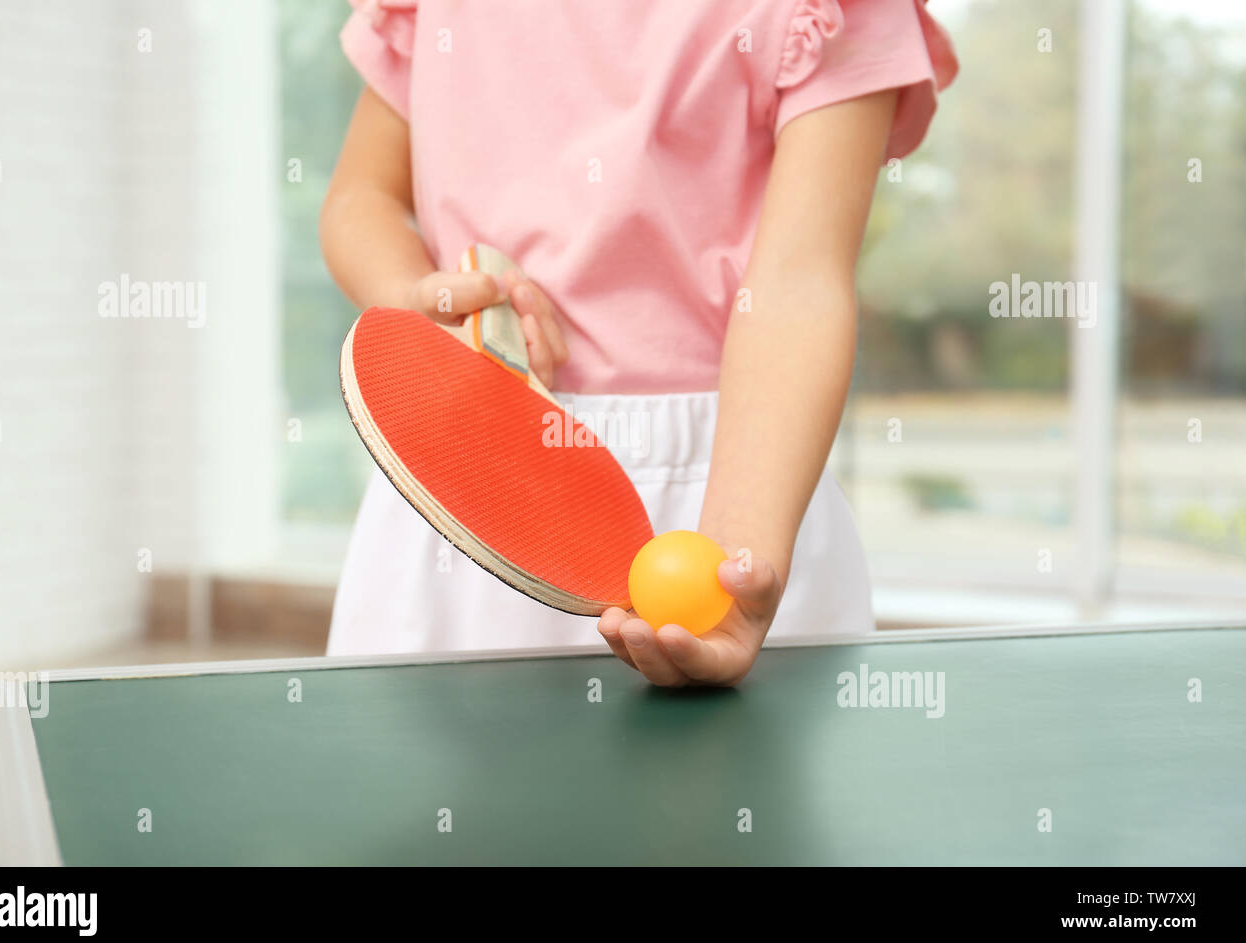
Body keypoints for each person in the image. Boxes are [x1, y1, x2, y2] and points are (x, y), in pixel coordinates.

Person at [319, 0, 958, 685]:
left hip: (734, 492)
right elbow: (361, 198)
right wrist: (424, 297)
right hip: (463, 481)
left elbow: (796, 285)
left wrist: (730, 565)